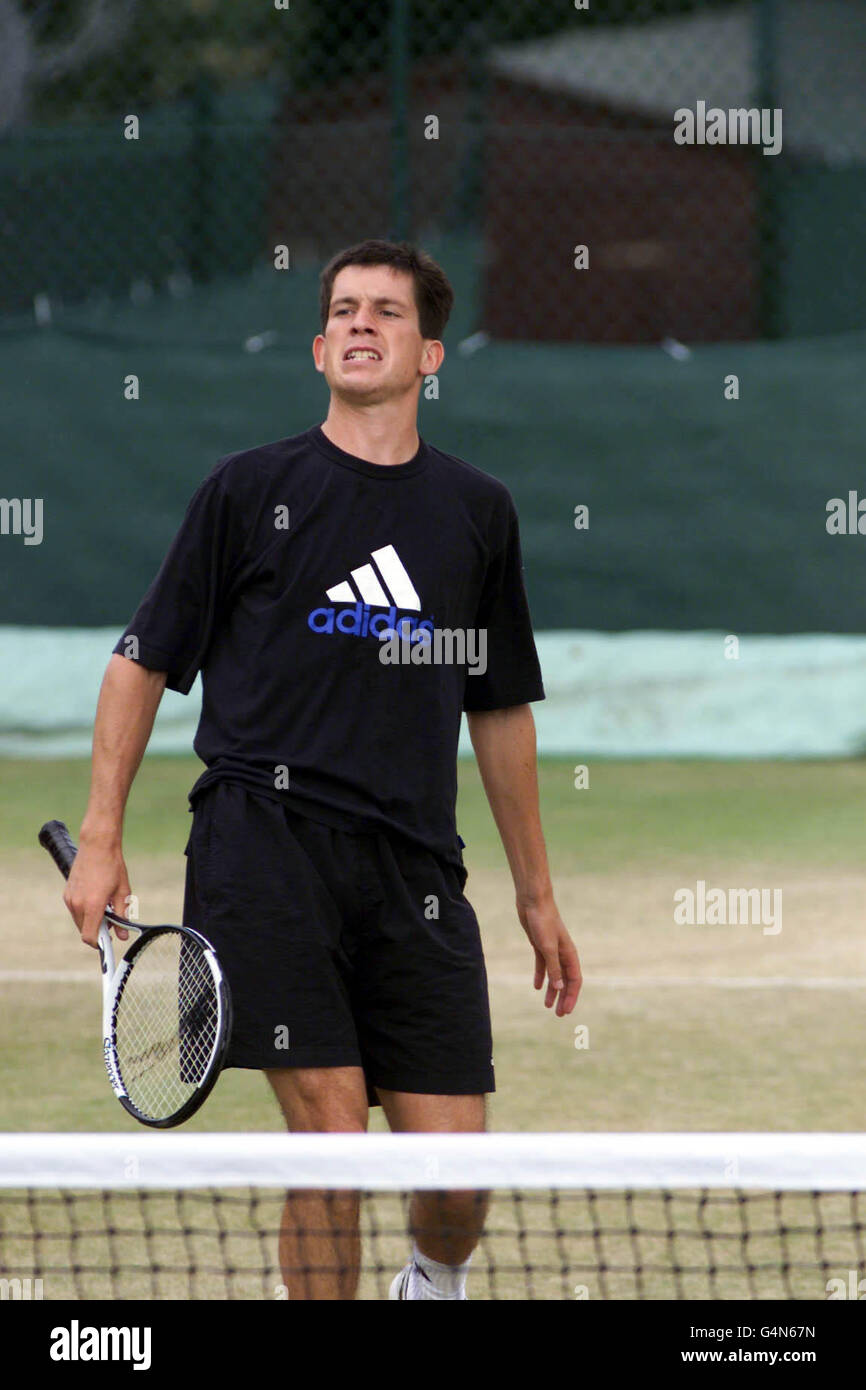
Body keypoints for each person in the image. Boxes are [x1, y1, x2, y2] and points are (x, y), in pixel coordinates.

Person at [63, 238, 582, 1300]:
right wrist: (101, 835)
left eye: (386, 311)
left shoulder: (476, 511)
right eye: (343, 310)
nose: (359, 324)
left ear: (430, 354)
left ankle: (428, 1282)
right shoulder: (247, 490)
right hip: (262, 847)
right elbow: (140, 662)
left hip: (415, 871)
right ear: (316, 348)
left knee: (456, 1179)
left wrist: (536, 894)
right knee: (333, 1144)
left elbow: (497, 709)